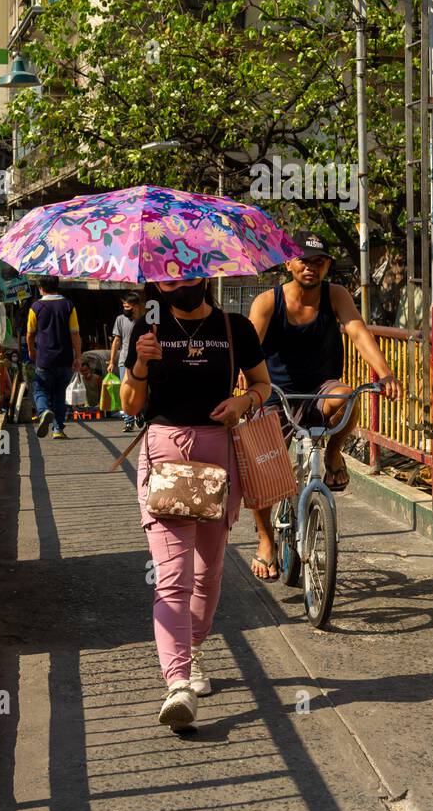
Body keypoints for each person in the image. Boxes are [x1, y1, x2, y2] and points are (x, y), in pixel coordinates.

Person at [121, 276, 271, 732]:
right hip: (165, 451)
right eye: (164, 280)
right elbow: (130, 406)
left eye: (182, 276)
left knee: (209, 572)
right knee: (173, 576)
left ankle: (193, 649)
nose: (174, 285)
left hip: (219, 456)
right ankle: (178, 683)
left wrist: (244, 401)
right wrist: (141, 366)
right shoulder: (147, 330)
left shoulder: (235, 327)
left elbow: (263, 385)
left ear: (203, 275)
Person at [248, 231, 400, 581]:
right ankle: (266, 541)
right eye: (304, 260)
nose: (311, 268)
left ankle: (332, 456)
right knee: (263, 471)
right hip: (276, 394)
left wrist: (385, 373)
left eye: (319, 262)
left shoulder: (336, 295)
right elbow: (249, 349)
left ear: (328, 265)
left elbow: (358, 331)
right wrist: (242, 390)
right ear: (289, 262)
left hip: (320, 390)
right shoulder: (268, 302)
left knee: (347, 396)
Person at [26, 276, 82, 440]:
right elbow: (75, 333)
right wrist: (78, 356)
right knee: (59, 394)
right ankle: (58, 429)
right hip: (65, 358)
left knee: (40, 389)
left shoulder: (36, 307)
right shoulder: (68, 305)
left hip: (44, 358)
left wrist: (31, 350)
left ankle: (44, 411)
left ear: (41, 288)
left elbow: (30, 333)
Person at [109, 291, 146, 432]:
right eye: (124, 305)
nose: (126, 308)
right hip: (124, 359)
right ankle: (128, 421)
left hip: (141, 360)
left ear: (136, 306)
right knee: (126, 389)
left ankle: (139, 412)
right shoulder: (120, 319)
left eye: (128, 306)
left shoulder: (144, 320)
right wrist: (112, 361)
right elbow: (116, 340)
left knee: (141, 389)